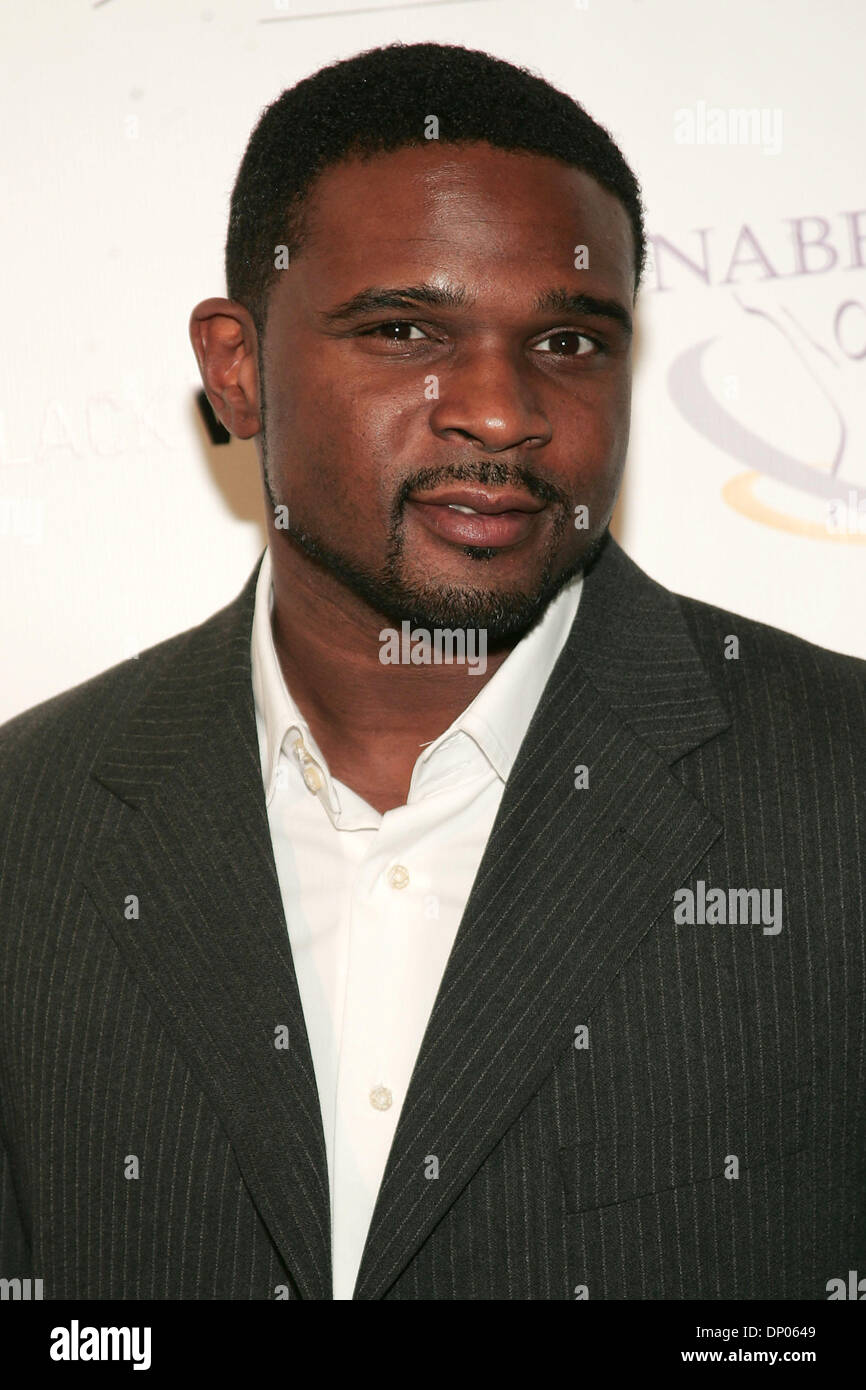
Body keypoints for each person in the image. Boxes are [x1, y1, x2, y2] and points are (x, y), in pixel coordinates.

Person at [1, 41, 863, 1302]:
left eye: (568, 341)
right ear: (235, 369)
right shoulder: (31, 822)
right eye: (405, 328)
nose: (500, 410)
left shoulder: (837, 788)